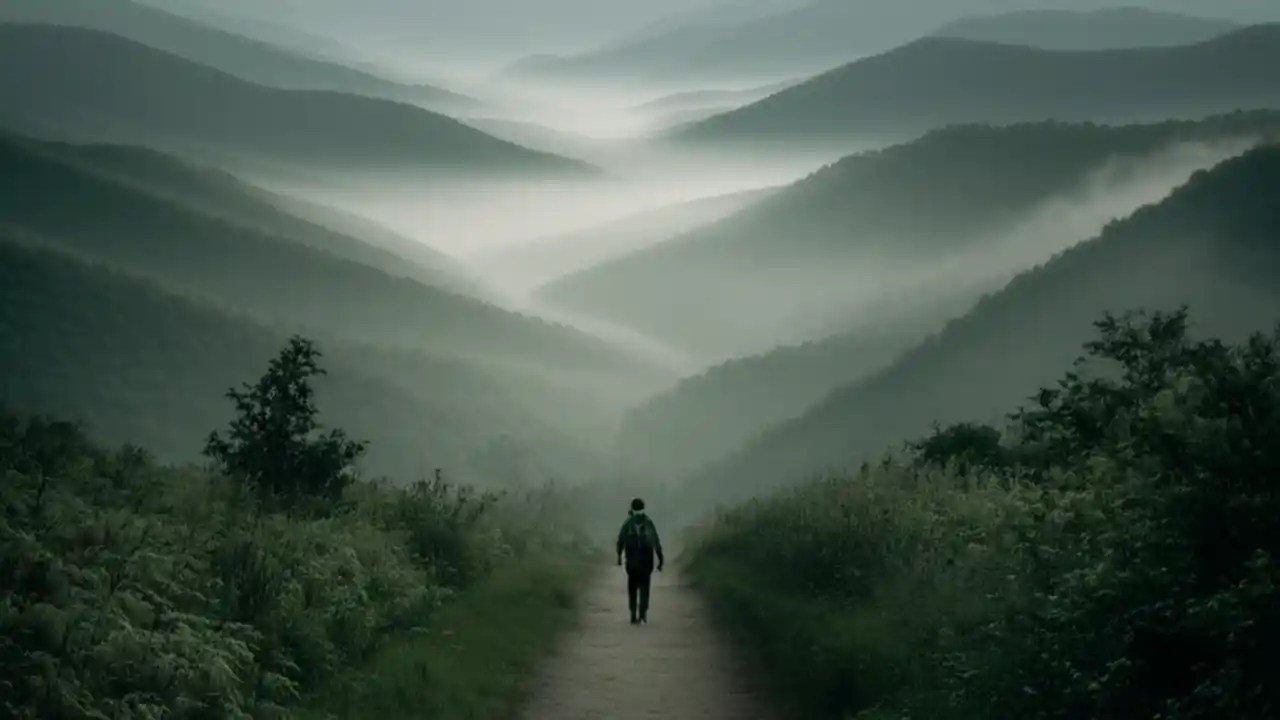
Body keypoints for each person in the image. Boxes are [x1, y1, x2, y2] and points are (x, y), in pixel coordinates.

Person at [616, 497, 664, 624]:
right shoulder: (648, 522)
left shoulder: (628, 523)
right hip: (646, 562)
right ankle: (642, 613)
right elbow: (656, 542)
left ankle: (633, 614)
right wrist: (660, 560)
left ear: (632, 507)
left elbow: (620, 540)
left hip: (631, 562)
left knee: (632, 587)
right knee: (644, 587)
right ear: (643, 507)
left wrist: (619, 557)